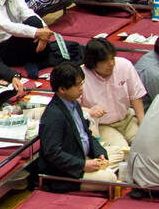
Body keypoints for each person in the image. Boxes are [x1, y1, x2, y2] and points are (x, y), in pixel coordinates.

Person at [39, 62, 116, 192]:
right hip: (65, 173)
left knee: (118, 153)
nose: (81, 88)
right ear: (62, 89)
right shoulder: (53, 115)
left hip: (82, 156)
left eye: (81, 84)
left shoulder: (74, 104)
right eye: (77, 85)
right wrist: (82, 165)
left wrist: (99, 153)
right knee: (110, 179)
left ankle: (101, 168)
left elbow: (87, 134)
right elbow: (52, 153)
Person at [78, 38, 145, 163]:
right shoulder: (80, 76)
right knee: (123, 152)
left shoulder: (124, 65)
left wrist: (142, 120)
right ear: (93, 63)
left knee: (147, 145)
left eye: (112, 58)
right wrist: (89, 111)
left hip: (127, 119)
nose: (111, 63)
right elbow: (72, 107)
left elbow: (136, 95)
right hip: (103, 125)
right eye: (105, 61)